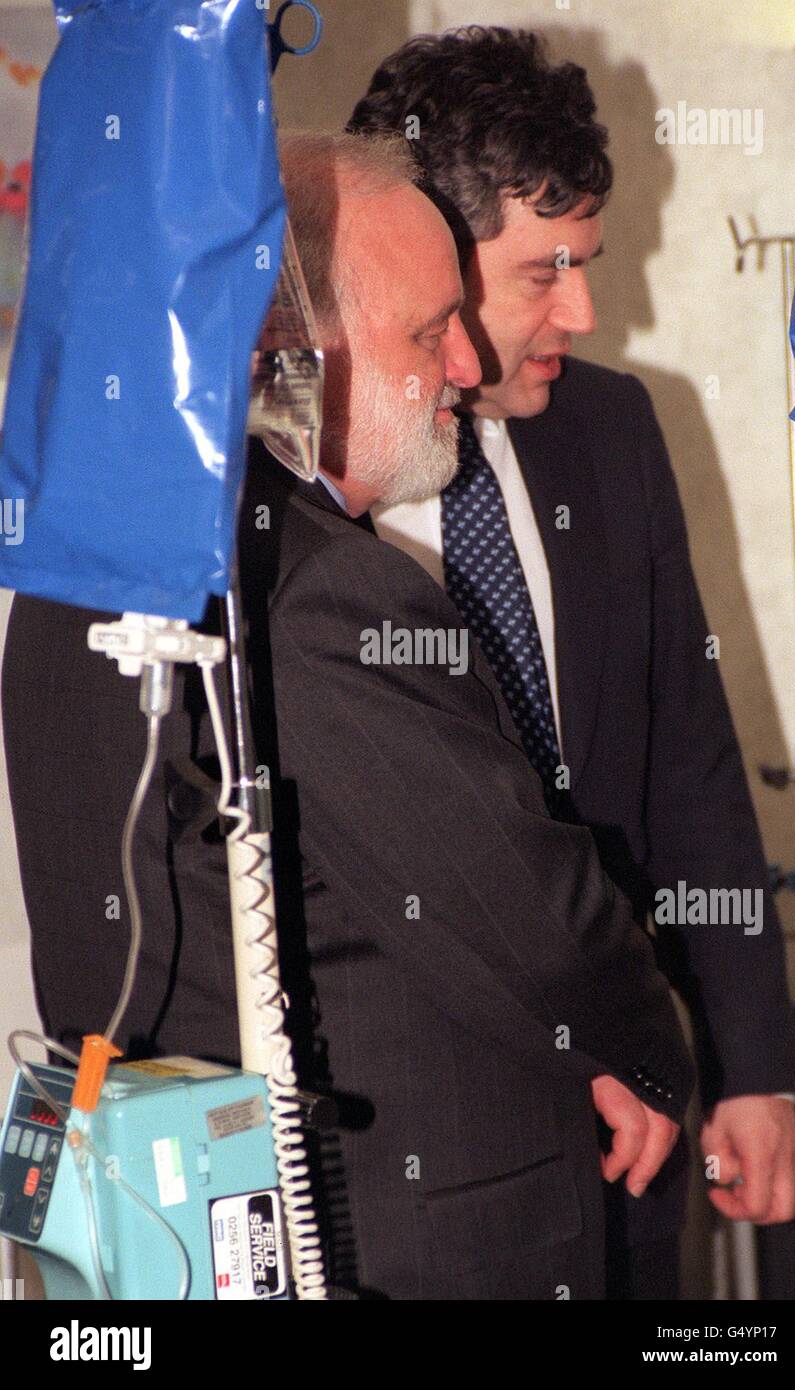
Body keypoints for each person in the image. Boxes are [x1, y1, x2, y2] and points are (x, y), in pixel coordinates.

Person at [2, 131, 693, 1300]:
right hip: (393, 1241)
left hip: (154, 1240)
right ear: (290, 355)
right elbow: (525, 916)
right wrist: (647, 1044)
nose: (468, 363)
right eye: (431, 329)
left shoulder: (76, 571)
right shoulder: (315, 588)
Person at [347, 27, 795, 1297]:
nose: (584, 311)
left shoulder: (611, 430)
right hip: (432, 1179)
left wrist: (752, 1062)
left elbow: (691, 766)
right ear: (424, 252)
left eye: (585, 263)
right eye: (540, 271)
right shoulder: (308, 496)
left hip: (638, 1139)